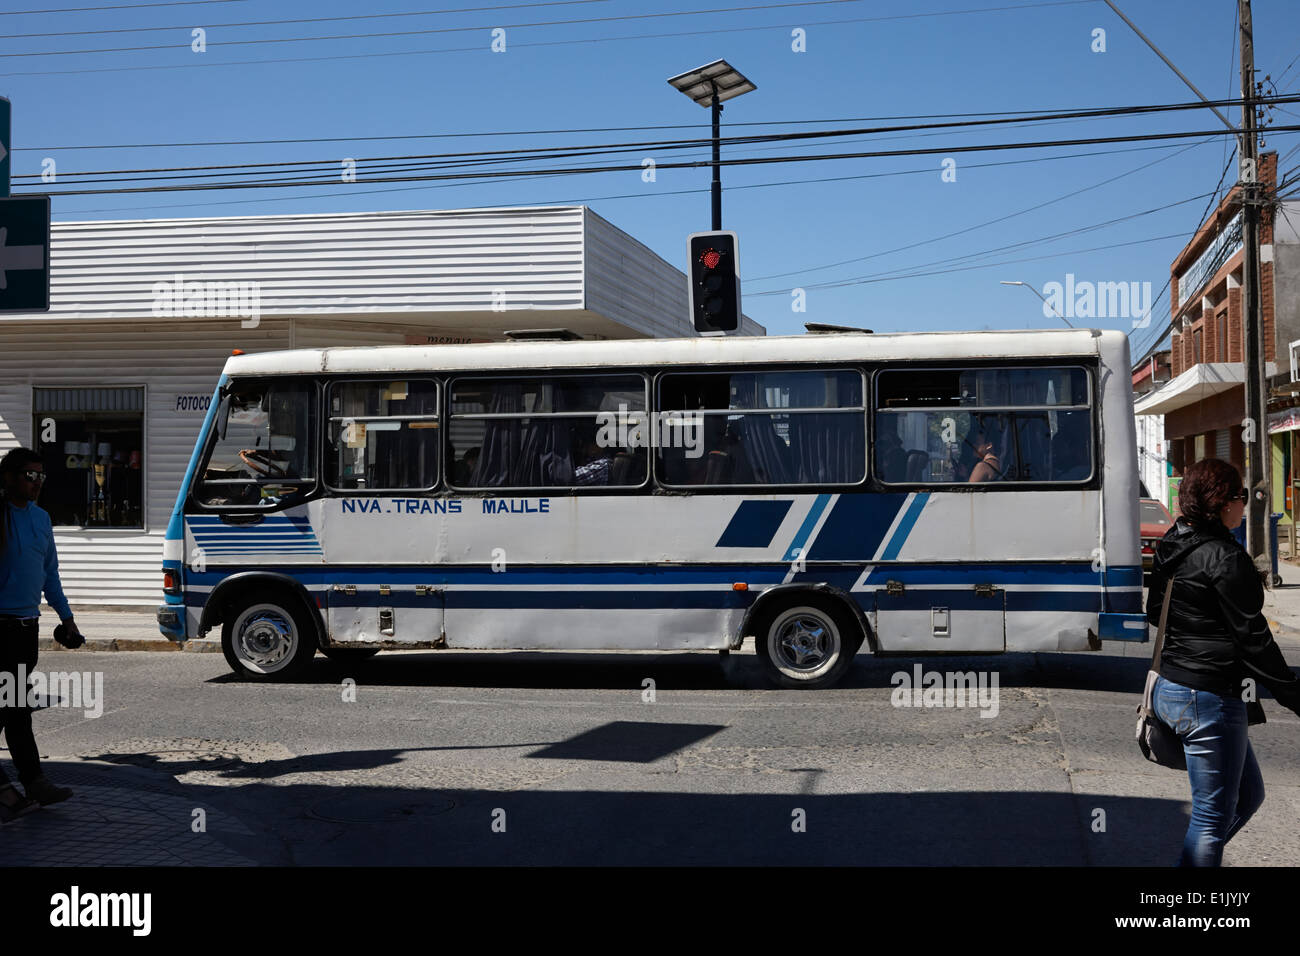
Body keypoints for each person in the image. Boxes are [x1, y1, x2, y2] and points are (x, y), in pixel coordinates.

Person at [1146, 457, 1300, 866]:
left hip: (1169, 688)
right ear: (1220, 503)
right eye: (1240, 497)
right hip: (1207, 698)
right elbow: (1255, 641)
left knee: (1248, 797)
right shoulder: (1226, 558)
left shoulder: (1173, 543)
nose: (1245, 505)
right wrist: (1292, 694)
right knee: (1211, 820)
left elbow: (1153, 613)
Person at [0, 447, 79, 821]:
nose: (36, 484)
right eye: (29, 476)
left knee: (17, 712)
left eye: (40, 477)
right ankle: (13, 789)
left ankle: (34, 784)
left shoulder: (42, 519)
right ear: (9, 477)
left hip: (25, 630)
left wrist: (67, 619)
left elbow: (50, 574)